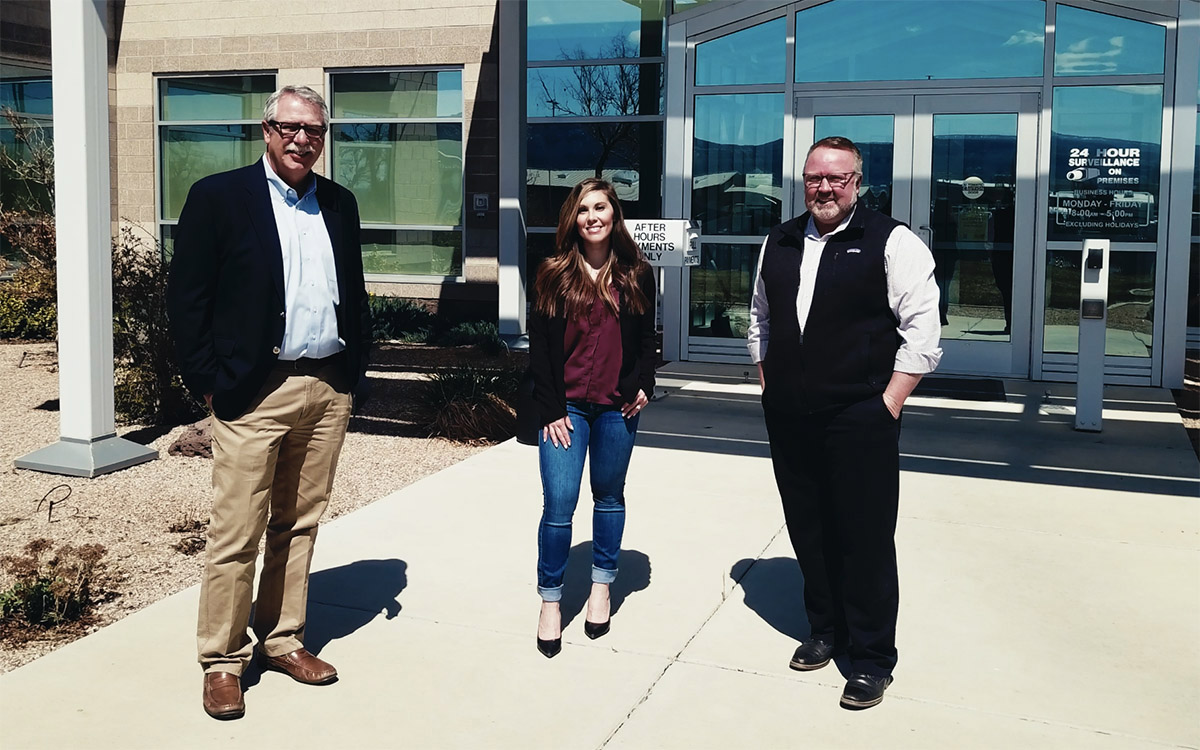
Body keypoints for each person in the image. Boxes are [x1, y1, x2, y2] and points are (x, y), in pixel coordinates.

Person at [166, 84, 370, 720]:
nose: (302, 140)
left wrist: (352, 371)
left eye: (314, 130)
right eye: (291, 128)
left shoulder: (339, 202)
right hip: (255, 391)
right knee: (237, 531)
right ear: (266, 129)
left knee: (299, 523)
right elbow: (187, 298)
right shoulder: (219, 198)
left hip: (326, 387)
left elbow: (352, 288)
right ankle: (222, 662)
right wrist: (209, 381)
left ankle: (282, 639)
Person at [746, 136, 941, 709]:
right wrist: (769, 382)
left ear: (858, 180)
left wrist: (888, 403)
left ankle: (872, 657)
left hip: (860, 416)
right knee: (809, 527)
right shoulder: (778, 240)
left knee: (865, 537)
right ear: (802, 181)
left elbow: (924, 334)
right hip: (789, 415)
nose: (824, 188)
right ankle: (826, 629)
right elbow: (759, 317)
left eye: (836, 177)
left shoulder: (891, 240)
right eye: (814, 178)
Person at [522, 178, 657, 659]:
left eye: (601, 207)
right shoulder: (553, 272)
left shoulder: (637, 274)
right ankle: (551, 600)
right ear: (572, 219)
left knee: (609, 496)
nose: (592, 217)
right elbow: (539, 348)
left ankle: (602, 586)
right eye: (583, 210)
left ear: (614, 215)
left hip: (617, 408)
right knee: (559, 504)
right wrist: (550, 408)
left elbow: (646, 342)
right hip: (568, 410)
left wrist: (645, 384)